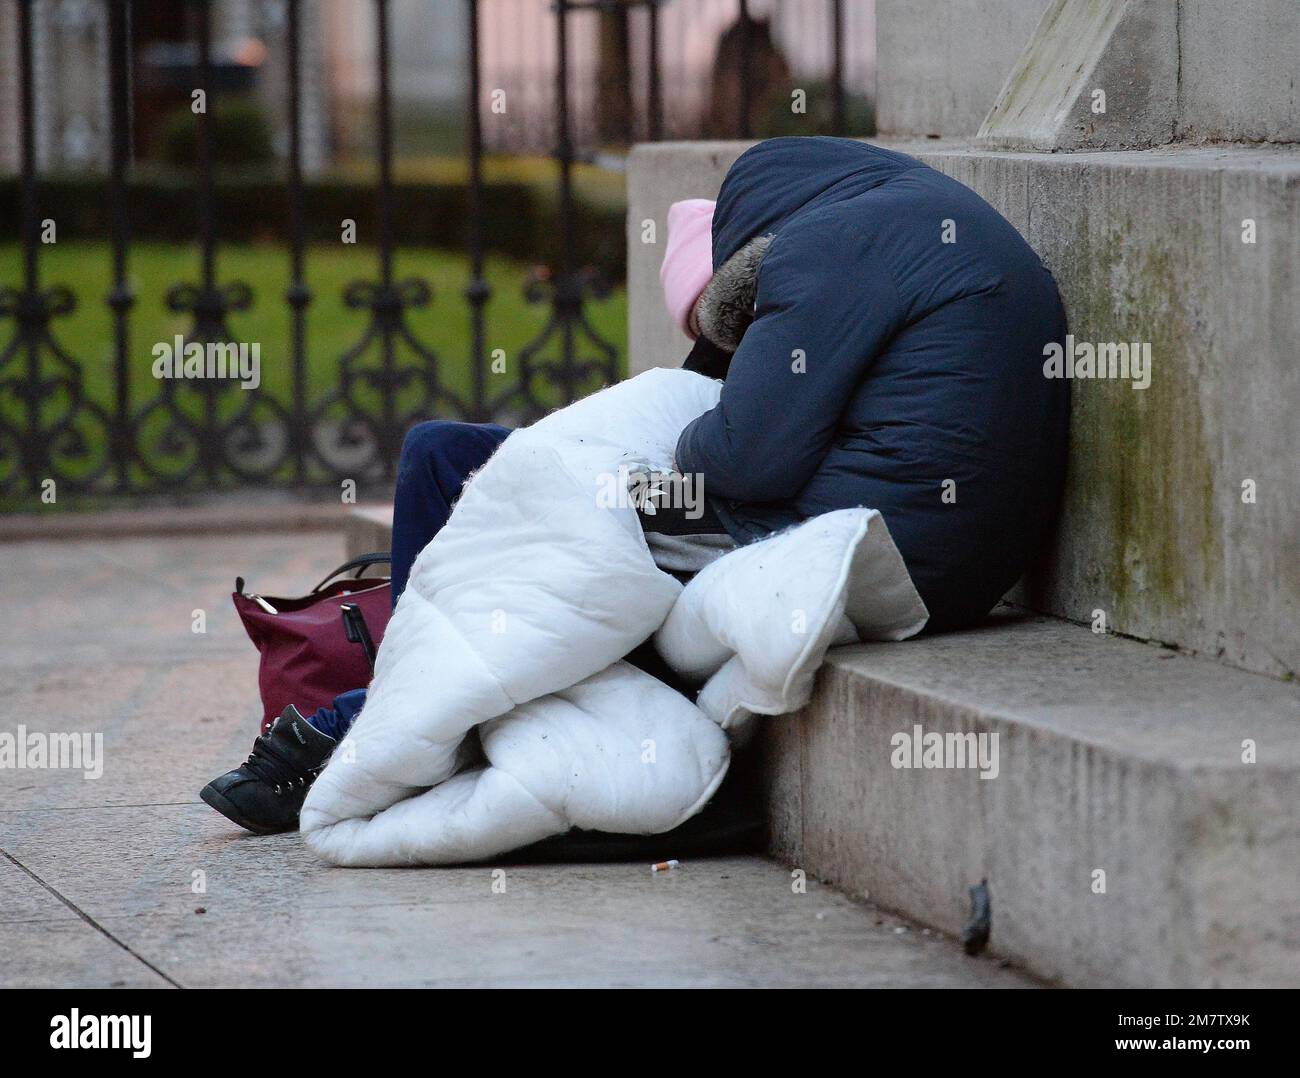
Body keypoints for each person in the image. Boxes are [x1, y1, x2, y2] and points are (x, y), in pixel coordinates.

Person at [202, 134, 1068, 837]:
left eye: (733, 325)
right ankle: (401, 688)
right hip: (936, 546)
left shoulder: (830, 247)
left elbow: (743, 459)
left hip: (883, 544)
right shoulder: (900, 222)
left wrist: (656, 449)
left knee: (561, 551)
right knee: (448, 456)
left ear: (744, 266)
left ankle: (358, 725)